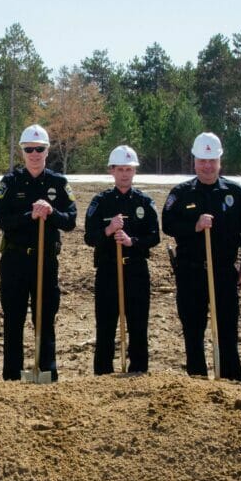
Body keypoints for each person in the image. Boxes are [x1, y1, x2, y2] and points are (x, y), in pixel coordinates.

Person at [162, 133, 241, 380]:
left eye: (212, 160)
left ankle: (230, 379)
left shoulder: (235, 193)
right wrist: (194, 225)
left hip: (224, 271)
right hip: (191, 271)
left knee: (227, 328)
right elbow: (168, 224)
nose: (207, 166)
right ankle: (197, 380)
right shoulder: (181, 193)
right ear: (194, 161)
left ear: (220, 161)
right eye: (202, 160)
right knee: (193, 329)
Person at [0, 124, 77, 381]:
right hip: (15, 260)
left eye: (39, 149)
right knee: (14, 318)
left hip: (46, 260)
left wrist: (51, 212)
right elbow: (2, 220)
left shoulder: (58, 183)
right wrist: (30, 215)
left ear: (47, 150)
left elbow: (71, 220)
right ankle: (13, 375)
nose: (34, 153)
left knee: (45, 317)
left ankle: (47, 372)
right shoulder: (10, 183)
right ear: (22, 151)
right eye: (29, 149)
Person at [84, 146, 159, 374]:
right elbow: (89, 237)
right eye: (120, 169)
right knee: (105, 327)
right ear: (112, 171)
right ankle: (103, 375)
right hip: (108, 271)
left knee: (138, 328)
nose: (125, 174)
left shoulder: (144, 203)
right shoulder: (100, 202)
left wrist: (131, 241)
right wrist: (108, 229)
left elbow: (155, 236)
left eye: (129, 169)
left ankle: (138, 374)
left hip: (136, 272)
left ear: (134, 172)